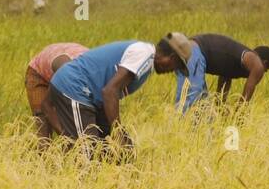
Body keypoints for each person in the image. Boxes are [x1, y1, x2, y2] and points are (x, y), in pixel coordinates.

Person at [45, 40, 179, 158]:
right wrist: (118, 132)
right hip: (76, 87)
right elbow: (109, 91)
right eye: (177, 65)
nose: (174, 70)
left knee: (121, 153)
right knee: (87, 157)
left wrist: (117, 135)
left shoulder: (146, 60)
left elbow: (107, 94)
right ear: (171, 58)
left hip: (90, 97)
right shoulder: (144, 54)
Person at [171, 33, 269, 111]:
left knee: (204, 111)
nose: (261, 73)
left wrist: (220, 108)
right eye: (265, 70)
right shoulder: (257, 63)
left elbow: (223, 86)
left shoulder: (233, 64)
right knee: (188, 103)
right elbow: (246, 97)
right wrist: (239, 114)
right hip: (193, 53)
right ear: (264, 62)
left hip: (189, 52)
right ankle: (174, 134)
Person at [25, 43, 88, 140]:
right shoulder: (68, 74)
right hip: (38, 72)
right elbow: (46, 106)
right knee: (43, 128)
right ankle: (43, 153)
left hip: (62, 59)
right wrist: (68, 138)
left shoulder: (96, 73)